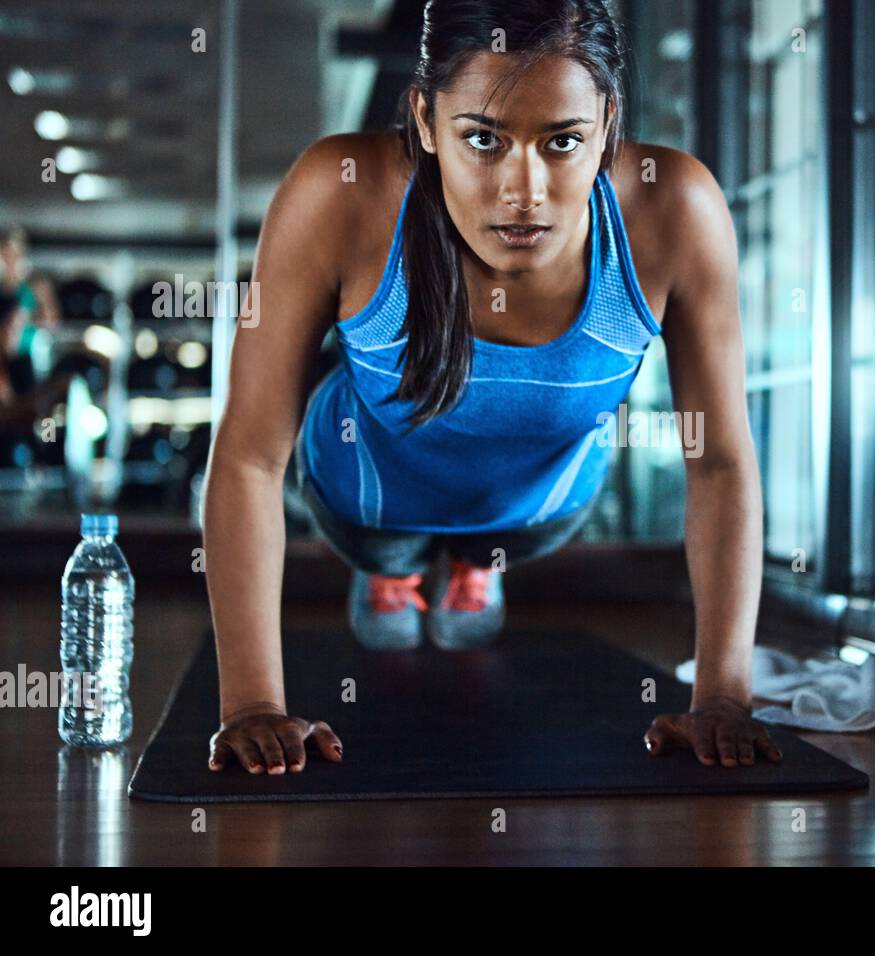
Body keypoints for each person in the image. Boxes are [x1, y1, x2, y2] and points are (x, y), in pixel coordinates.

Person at [204, 0, 781, 777]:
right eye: (483, 138)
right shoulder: (338, 191)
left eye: (563, 142)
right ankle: (394, 572)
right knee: (387, 544)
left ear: (608, 123)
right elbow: (247, 455)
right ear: (426, 118)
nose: (524, 191)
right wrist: (251, 705)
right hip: (365, 503)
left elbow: (718, 463)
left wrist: (723, 694)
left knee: (495, 538)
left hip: (539, 510)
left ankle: (474, 564)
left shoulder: (674, 207)